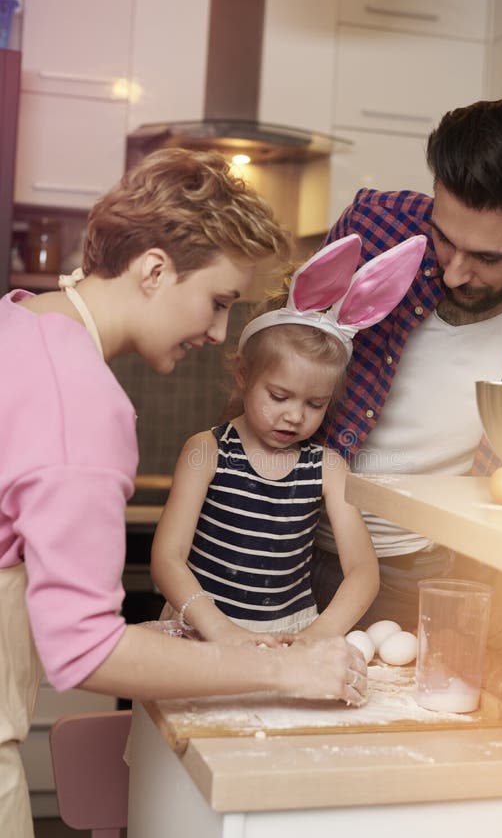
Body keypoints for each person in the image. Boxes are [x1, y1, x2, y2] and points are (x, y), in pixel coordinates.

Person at [0, 149, 369, 838]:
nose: (219, 330)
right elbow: (85, 652)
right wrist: (284, 666)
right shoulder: (83, 404)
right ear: (154, 269)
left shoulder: (19, 323)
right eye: (219, 300)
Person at [311, 96, 502, 651]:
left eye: (488, 257)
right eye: (443, 237)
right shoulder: (375, 228)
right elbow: (284, 355)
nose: (453, 271)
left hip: (420, 577)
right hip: (287, 536)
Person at [150, 232, 426, 644]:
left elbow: (363, 571)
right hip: (202, 632)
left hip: (287, 635)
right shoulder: (206, 451)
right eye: (279, 396)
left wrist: (320, 634)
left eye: (315, 404)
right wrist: (219, 630)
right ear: (244, 376)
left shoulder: (327, 468)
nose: (295, 416)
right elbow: (167, 560)